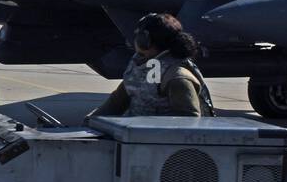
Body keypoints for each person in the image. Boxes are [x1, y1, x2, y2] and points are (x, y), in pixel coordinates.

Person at [86, 13, 214, 118]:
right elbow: (117, 102)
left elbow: (189, 120)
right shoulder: (140, 64)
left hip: (163, 144)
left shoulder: (177, 77)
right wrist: (90, 123)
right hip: (138, 138)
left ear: (145, 40)